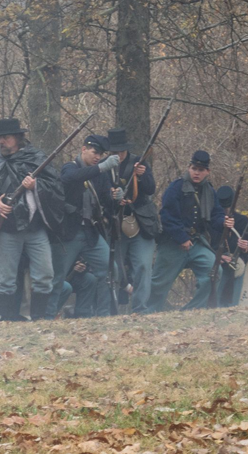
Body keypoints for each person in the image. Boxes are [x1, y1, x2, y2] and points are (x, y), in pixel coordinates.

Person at [0, 118, 63, 321]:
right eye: (0, 138)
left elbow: (55, 189)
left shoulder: (36, 158)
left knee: (45, 275)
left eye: (5, 138)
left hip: (35, 228)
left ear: (17, 138)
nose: (1, 142)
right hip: (7, 228)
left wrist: (35, 186)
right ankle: (5, 321)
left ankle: (40, 321)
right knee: (6, 279)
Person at [147, 151, 229, 312]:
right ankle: (147, 314)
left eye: (200, 170)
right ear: (189, 168)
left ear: (207, 172)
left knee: (214, 272)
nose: (196, 173)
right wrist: (181, 237)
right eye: (194, 168)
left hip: (196, 242)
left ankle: (192, 311)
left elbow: (216, 214)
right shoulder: (176, 188)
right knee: (158, 284)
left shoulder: (209, 191)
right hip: (173, 243)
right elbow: (167, 216)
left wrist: (224, 222)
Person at [50, 135, 118, 319]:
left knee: (109, 269)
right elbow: (71, 177)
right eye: (95, 152)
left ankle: (104, 314)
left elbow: (105, 201)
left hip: (91, 233)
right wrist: (101, 167)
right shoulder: (70, 167)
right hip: (69, 234)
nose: (98, 157)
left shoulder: (100, 175)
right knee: (58, 278)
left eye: (101, 154)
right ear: (83, 149)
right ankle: (46, 317)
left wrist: (115, 197)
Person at [105, 128, 160, 314]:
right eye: (114, 151)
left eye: (121, 151)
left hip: (140, 223)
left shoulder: (139, 163)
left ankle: (140, 309)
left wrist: (142, 175)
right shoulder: (103, 166)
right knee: (115, 270)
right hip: (114, 226)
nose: (118, 154)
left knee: (144, 266)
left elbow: (150, 189)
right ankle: (111, 309)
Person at [214, 185, 248, 307]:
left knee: (240, 268)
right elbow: (209, 243)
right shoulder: (213, 220)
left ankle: (237, 304)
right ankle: (215, 306)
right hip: (218, 260)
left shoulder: (243, 221)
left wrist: (245, 246)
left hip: (238, 261)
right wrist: (219, 256)